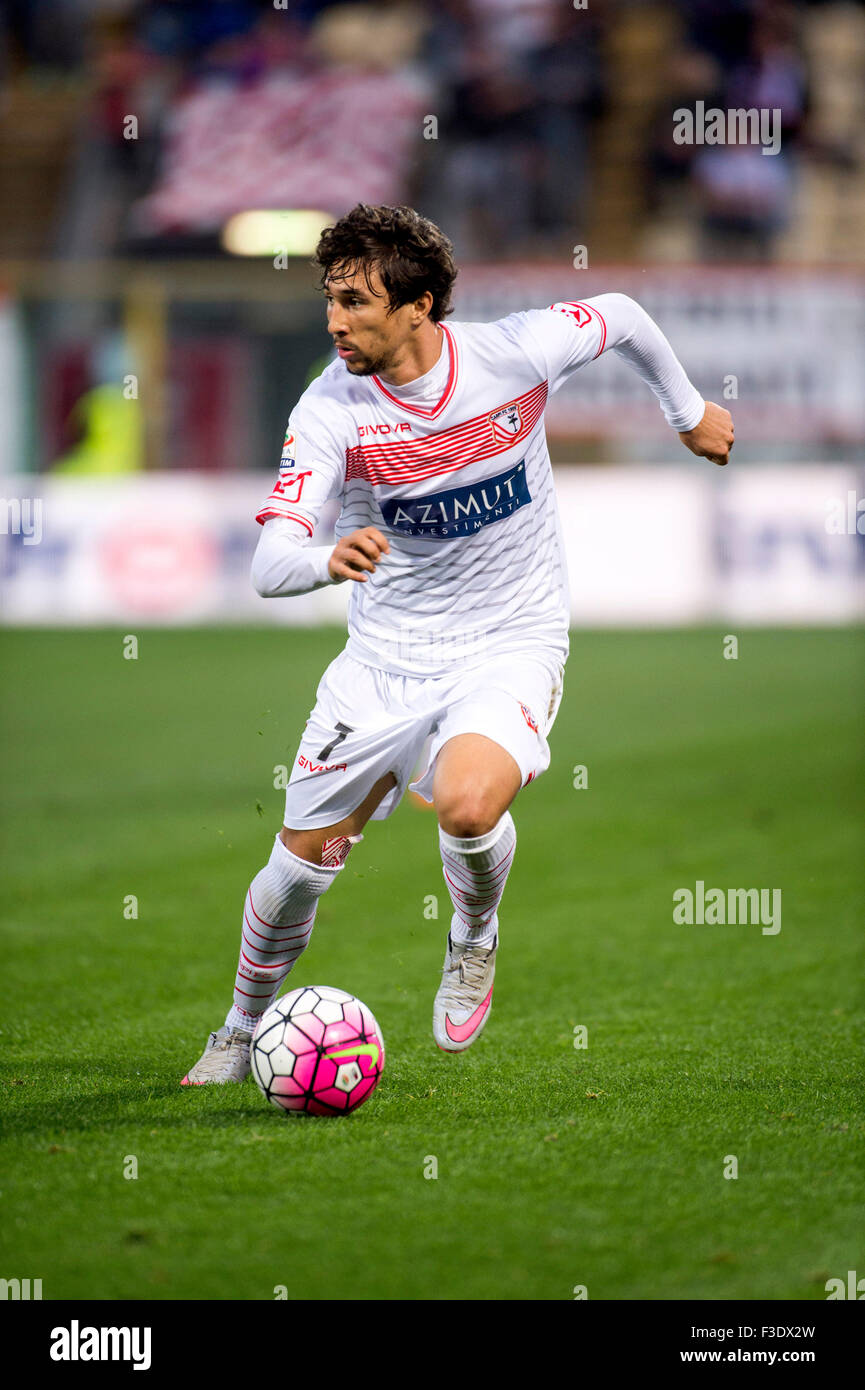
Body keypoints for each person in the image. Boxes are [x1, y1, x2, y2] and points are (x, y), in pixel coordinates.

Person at [181, 202, 733, 1084]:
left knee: (470, 806)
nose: (334, 320)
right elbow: (267, 564)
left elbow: (622, 316)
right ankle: (240, 1029)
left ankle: (472, 936)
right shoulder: (330, 408)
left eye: (356, 302)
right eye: (329, 298)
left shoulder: (512, 352)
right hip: (382, 664)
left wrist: (686, 410)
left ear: (420, 306)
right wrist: (327, 558)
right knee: (297, 875)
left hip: (510, 638)